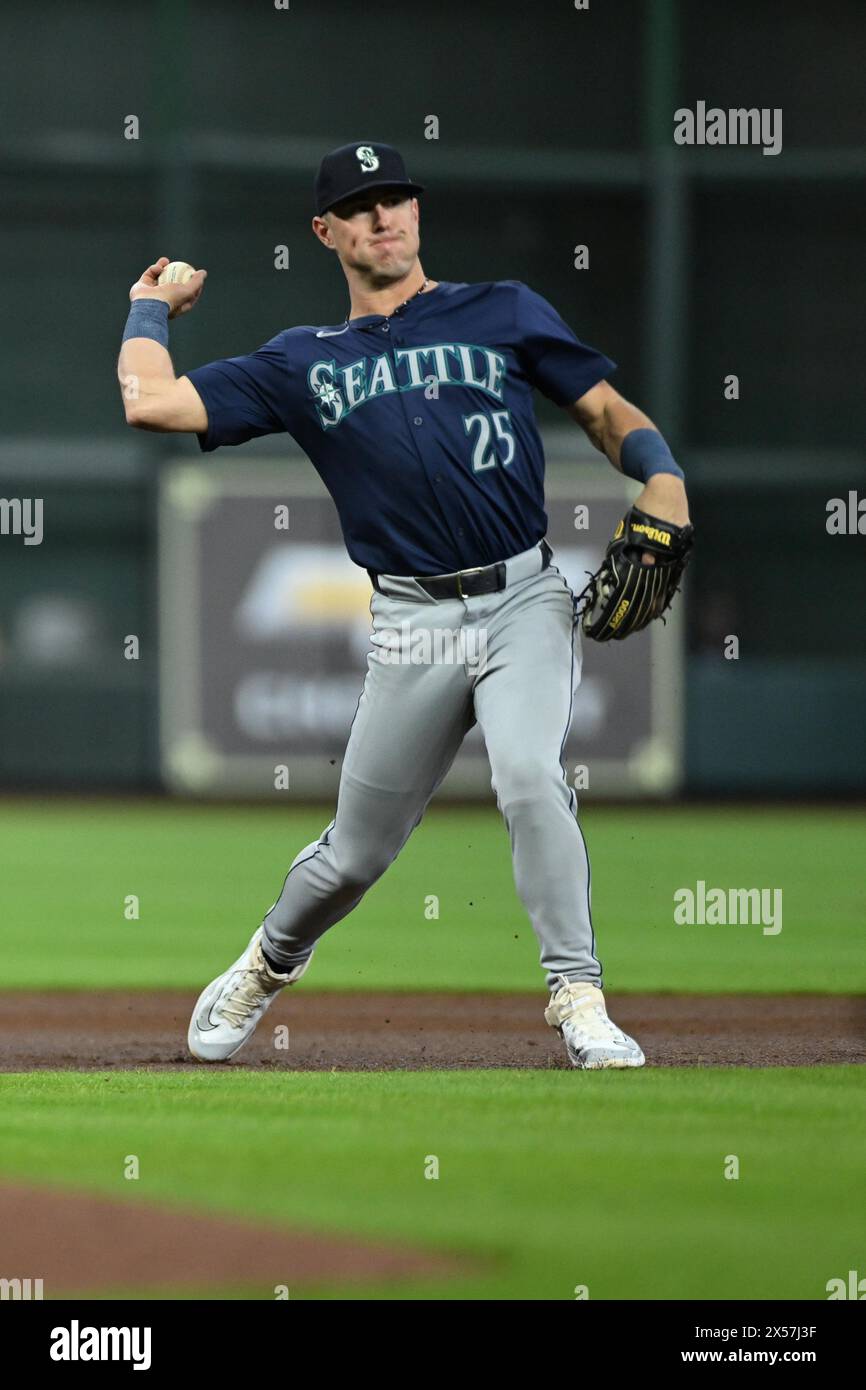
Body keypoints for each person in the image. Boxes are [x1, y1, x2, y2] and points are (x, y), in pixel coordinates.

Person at [118, 141, 691, 1070]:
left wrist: (664, 478)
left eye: (399, 200)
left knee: (531, 778)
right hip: (413, 623)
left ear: (418, 214)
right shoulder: (302, 362)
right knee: (352, 856)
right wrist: (152, 306)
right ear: (326, 231)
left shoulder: (502, 310)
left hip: (524, 600)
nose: (386, 217)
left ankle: (579, 997)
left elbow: (605, 413)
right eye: (362, 205)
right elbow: (150, 404)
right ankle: (267, 963)